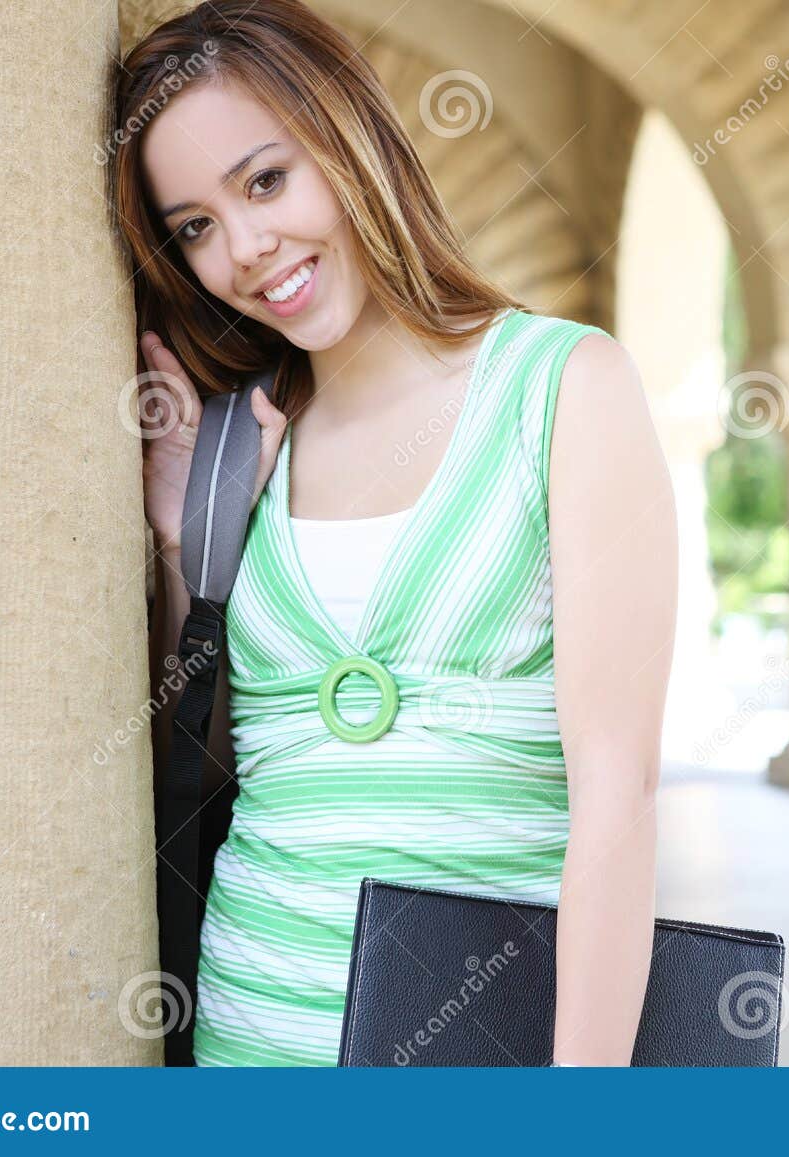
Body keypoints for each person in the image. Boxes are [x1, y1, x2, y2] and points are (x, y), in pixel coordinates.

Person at [108, 0, 677, 1066]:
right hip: (248, 1035)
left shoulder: (562, 386)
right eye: (194, 226)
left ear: (353, 139)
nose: (245, 248)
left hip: (488, 1050)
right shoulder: (245, 440)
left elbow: (619, 790)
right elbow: (210, 756)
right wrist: (190, 539)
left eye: (265, 181)